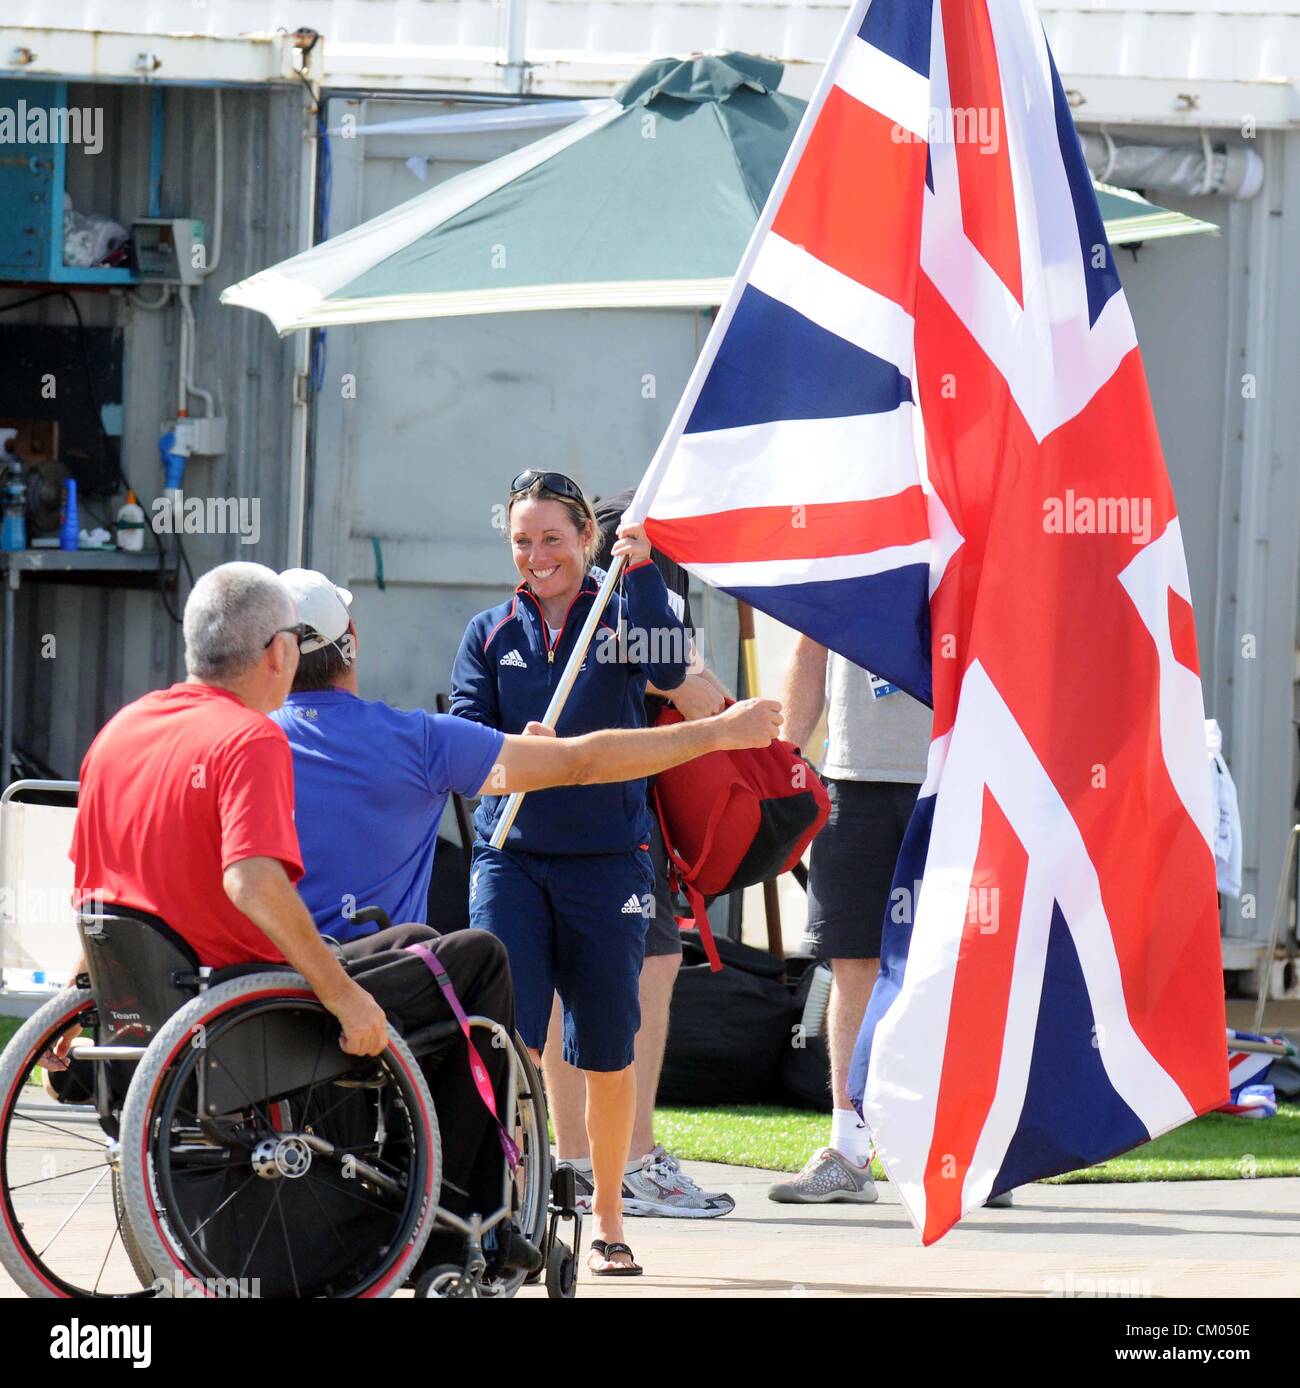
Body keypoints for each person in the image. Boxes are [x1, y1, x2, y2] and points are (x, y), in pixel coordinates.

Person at [66, 561, 526, 1273]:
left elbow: (97, 889)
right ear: (279, 652)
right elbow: (253, 883)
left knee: (414, 941)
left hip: (153, 1004)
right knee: (480, 959)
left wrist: (85, 992)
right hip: (254, 1007)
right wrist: (344, 998)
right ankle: (459, 1228)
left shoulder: (123, 730)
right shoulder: (249, 738)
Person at [451, 470, 777, 1275]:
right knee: (508, 1041)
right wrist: (508, 751)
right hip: (511, 859)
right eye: (522, 541)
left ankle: (607, 1218)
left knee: (606, 1046)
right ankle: (507, 1211)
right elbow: (463, 745)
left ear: (586, 539)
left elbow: (674, 677)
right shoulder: (488, 633)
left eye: (552, 539)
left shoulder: (625, 613)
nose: (537, 556)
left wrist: (643, 572)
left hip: (608, 864)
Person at [540, 488, 735, 1218]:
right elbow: (692, 692)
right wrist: (693, 686)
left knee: (586, 980)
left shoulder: (588, 584)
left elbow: (685, 681)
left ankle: (580, 1163)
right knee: (644, 967)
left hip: (576, 809)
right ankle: (630, 1161)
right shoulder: (630, 572)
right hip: (608, 815)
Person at [767, 638, 932, 1204]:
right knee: (852, 962)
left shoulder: (971, 566)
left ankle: (960, 1149)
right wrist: (786, 758)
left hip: (949, 774)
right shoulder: (844, 565)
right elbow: (810, 650)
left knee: (954, 964)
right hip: (850, 778)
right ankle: (849, 1150)